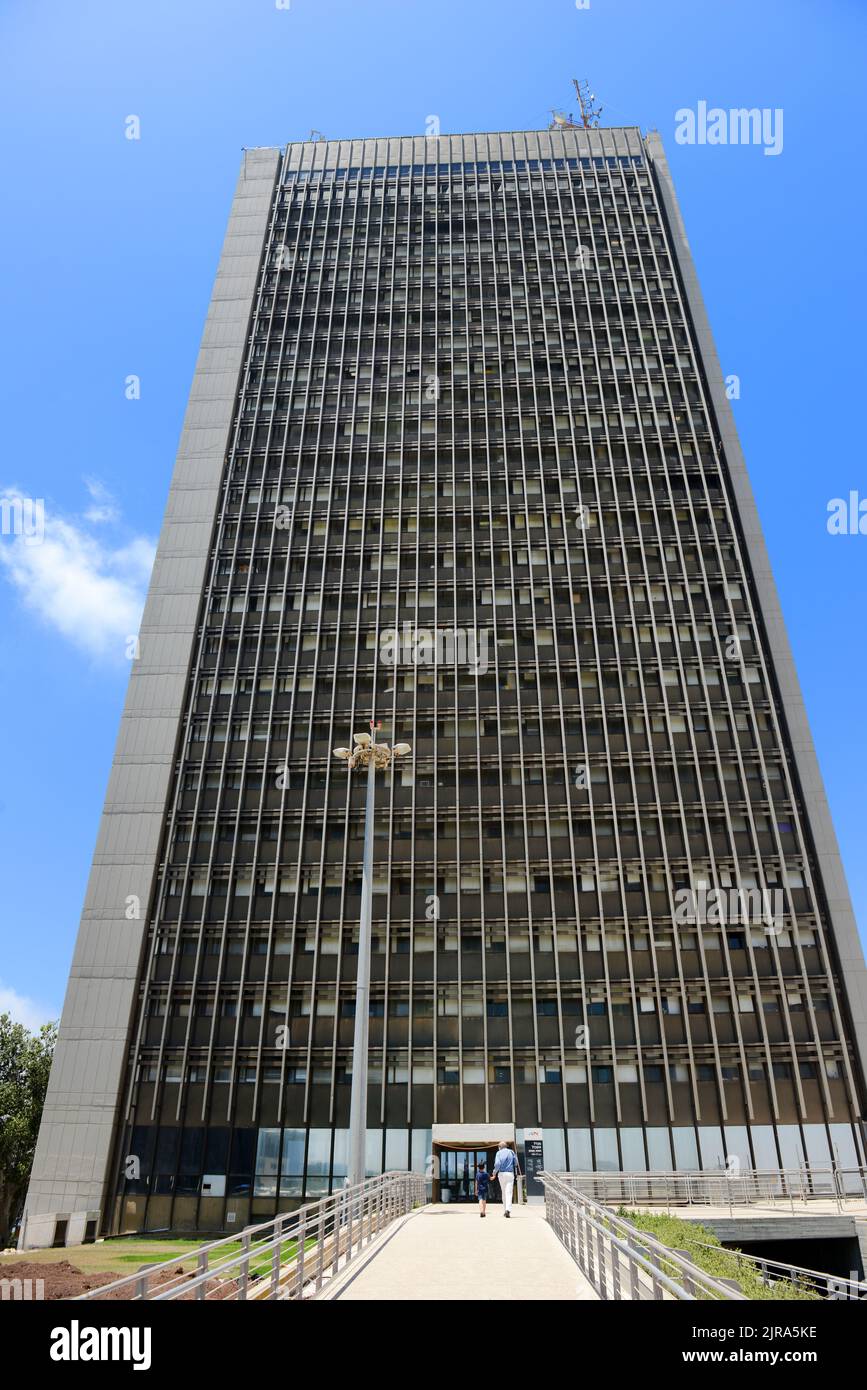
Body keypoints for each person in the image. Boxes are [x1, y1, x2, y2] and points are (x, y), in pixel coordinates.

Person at [492, 1141, 518, 1217]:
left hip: (501, 1174)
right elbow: (516, 1163)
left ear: (500, 1147)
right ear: (506, 1146)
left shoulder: (498, 1153)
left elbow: (497, 1164)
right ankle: (508, 1210)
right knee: (509, 1192)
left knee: (503, 1192)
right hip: (510, 1174)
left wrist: (494, 1172)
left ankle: (505, 1210)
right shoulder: (511, 1152)